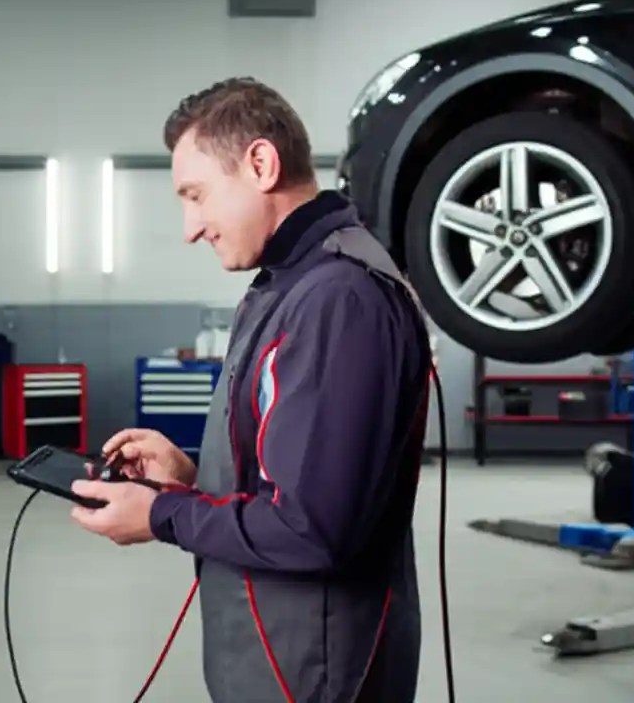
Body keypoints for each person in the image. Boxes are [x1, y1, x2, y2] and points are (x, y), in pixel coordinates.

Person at [70, 77, 431, 703]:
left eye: (196, 195)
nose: (190, 226)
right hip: (280, 650)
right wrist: (191, 474)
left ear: (260, 165)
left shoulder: (335, 299)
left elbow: (313, 528)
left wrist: (160, 515)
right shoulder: (291, 283)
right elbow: (292, 469)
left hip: (314, 667)